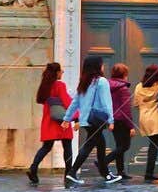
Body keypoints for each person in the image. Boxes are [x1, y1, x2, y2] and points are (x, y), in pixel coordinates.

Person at [64, 56, 119, 185]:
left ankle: (106, 174)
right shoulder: (101, 82)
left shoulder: (84, 82)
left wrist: (67, 118)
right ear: (97, 66)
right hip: (96, 120)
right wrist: (111, 120)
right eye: (101, 64)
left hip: (86, 120)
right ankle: (72, 173)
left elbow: (75, 102)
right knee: (89, 146)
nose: (103, 67)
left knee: (101, 145)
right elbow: (107, 103)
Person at [27, 61, 74, 183]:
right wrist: (76, 116)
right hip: (61, 119)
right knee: (67, 145)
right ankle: (69, 174)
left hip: (49, 119)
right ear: (57, 72)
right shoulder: (60, 85)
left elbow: (42, 101)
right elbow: (67, 101)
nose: (62, 72)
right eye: (61, 70)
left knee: (46, 147)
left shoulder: (45, 85)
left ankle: (34, 168)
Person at [107, 63, 135, 180]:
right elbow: (126, 109)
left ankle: (120, 171)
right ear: (124, 75)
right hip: (122, 120)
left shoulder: (108, 86)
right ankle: (104, 161)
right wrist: (131, 126)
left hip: (113, 120)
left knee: (119, 145)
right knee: (125, 146)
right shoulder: (123, 89)